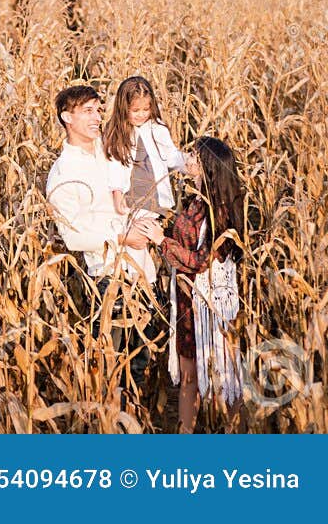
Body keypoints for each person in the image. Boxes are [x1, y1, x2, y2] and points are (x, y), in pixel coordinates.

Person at [153, 135, 247, 433]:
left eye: (193, 155)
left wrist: (161, 241)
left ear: (208, 166)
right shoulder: (197, 201)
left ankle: (243, 440)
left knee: (226, 376)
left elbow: (201, 261)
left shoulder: (220, 210)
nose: (188, 159)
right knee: (188, 376)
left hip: (211, 306)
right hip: (186, 300)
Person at [46, 84, 161, 287]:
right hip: (108, 278)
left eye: (98, 111)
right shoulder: (63, 174)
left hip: (144, 272)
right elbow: (73, 238)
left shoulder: (114, 149)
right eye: (88, 111)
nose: (97, 118)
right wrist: (123, 238)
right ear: (67, 117)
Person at [102, 75, 186, 225]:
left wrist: (189, 164)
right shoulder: (117, 132)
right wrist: (117, 192)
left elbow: (171, 156)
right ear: (123, 108)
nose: (142, 114)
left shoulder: (157, 127)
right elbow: (114, 165)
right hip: (133, 202)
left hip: (158, 201)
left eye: (146, 109)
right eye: (135, 110)